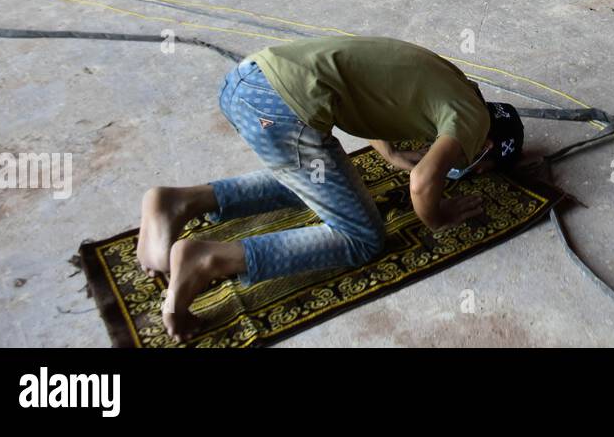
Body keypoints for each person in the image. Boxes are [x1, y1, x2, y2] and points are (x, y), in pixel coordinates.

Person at [134, 37, 525, 343]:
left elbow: (379, 84)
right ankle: (208, 259)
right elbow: (422, 184)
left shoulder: (458, 87)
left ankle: (180, 201)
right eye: (478, 165)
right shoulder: (473, 123)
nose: (468, 167)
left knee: (323, 179)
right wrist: (439, 216)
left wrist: (388, 149)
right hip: (280, 108)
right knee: (362, 237)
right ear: (486, 147)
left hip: (251, 79)